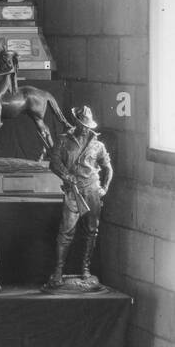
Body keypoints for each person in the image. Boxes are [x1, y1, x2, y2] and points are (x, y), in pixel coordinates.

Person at [45, 105, 112, 288]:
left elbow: (108, 168)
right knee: (66, 232)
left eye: (87, 125)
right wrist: (67, 176)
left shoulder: (98, 145)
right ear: (75, 121)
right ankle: (58, 272)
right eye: (82, 123)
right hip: (72, 192)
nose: (85, 128)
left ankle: (85, 270)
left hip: (92, 190)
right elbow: (54, 163)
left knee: (91, 231)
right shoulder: (63, 140)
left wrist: (104, 188)